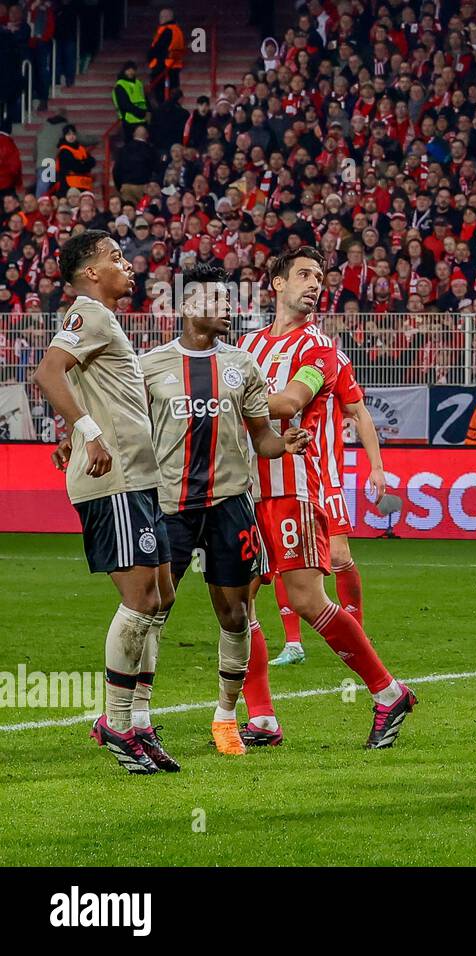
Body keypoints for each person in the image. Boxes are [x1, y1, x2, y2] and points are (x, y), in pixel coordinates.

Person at [236, 248, 417, 748]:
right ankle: (263, 719)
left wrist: (216, 395)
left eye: (320, 277)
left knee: (308, 598)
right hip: (245, 489)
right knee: (237, 603)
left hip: (294, 487)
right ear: (276, 283)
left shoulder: (320, 351)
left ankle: (387, 691)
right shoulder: (247, 345)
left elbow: (291, 401)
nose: (315, 284)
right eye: (304, 275)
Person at [133, 263, 311, 754]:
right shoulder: (149, 367)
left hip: (232, 504)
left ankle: (226, 717)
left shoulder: (242, 365)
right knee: (153, 609)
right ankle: (139, 715)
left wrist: (286, 442)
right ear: (190, 307)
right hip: (169, 507)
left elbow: (262, 439)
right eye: (217, 300)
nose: (230, 307)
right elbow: (128, 432)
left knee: (235, 614)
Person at [36, 230, 175, 774]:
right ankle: (117, 723)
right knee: (141, 597)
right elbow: (48, 372)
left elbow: (79, 383)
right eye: (115, 258)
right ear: (91, 272)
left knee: (160, 595)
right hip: (112, 480)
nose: (128, 265)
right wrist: (88, 432)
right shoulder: (88, 312)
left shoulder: (104, 319)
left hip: (139, 480)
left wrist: (73, 426)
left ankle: (138, 721)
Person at [270, 345, 388, 666]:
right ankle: (293, 644)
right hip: (284, 471)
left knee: (338, 556)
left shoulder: (330, 357)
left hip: (325, 474)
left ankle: (355, 633)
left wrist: (376, 466)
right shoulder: (267, 354)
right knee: (285, 558)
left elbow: (359, 411)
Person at [147, 8, 184, 98]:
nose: (160, 19)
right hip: (174, 66)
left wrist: (149, 56)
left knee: (160, 94)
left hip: (163, 67)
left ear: (168, 17)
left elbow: (158, 48)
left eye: (162, 16)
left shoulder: (167, 30)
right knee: (174, 93)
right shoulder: (177, 30)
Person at [55, 125, 95, 196]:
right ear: (64, 136)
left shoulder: (81, 148)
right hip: (68, 185)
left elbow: (93, 162)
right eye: (68, 134)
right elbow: (75, 166)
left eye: (73, 134)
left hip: (83, 184)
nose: (71, 136)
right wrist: (85, 163)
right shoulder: (64, 151)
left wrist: (82, 163)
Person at [113, 61, 149, 138]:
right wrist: (140, 112)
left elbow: (144, 98)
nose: (131, 72)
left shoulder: (138, 83)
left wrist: (147, 111)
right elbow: (124, 105)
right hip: (129, 120)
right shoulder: (120, 85)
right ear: (124, 71)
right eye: (128, 70)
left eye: (133, 70)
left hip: (142, 119)